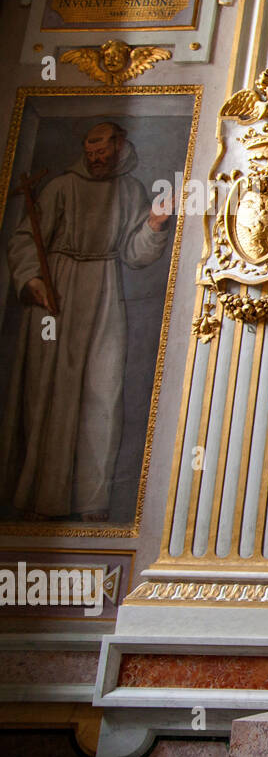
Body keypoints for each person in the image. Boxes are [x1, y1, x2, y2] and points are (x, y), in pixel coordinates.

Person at [2, 121, 171, 521]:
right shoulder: (60, 187)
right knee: (50, 392)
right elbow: (26, 238)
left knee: (104, 391)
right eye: (91, 153)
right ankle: (44, 498)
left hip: (104, 293)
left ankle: (92, 500)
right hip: (58, 293)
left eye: (104, 152)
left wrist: (153, 225)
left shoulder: (130, 191)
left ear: (120, 148)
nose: (96, 160)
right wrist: (32, 278)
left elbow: (134, 254)